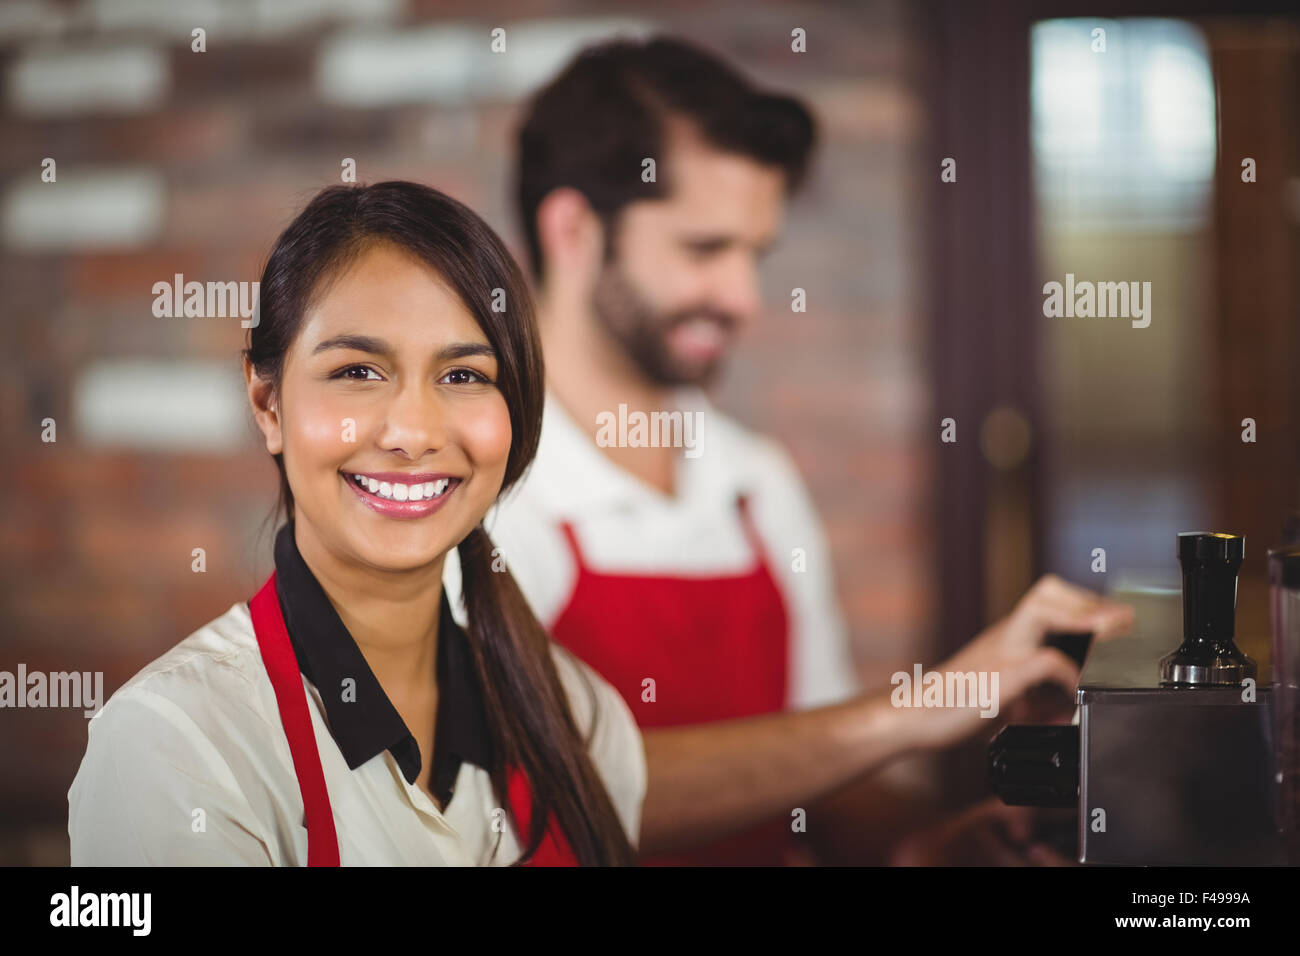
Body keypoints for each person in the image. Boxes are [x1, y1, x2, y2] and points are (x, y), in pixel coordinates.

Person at [444, 36, 1135, 864]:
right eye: (705, 250)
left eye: (756, 255)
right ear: (574, 229)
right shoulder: (476, 481)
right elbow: (545, 788)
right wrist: (925, 705)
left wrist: (928, 846)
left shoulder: (754, 482)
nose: (743, 299)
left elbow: (826, 782)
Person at [67, 181, 644, 866]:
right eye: (359, 370)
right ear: (268, 403)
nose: (413, 433)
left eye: (463, 376)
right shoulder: (174, 746)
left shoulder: (583, 719)